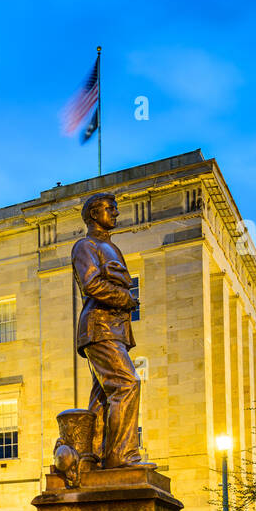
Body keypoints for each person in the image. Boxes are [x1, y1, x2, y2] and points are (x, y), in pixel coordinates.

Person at [71, 193, 146, 469]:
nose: (115, 213)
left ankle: (92, 455)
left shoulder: (111, 247)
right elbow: (91, 285)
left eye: (115, 209)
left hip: (115, 330)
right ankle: (121, 455)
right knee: (127, 383)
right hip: (98, 327)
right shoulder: (85, 246)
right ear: (93, 213)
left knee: (103, 396)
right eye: (109, 209)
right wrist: (124, 299)